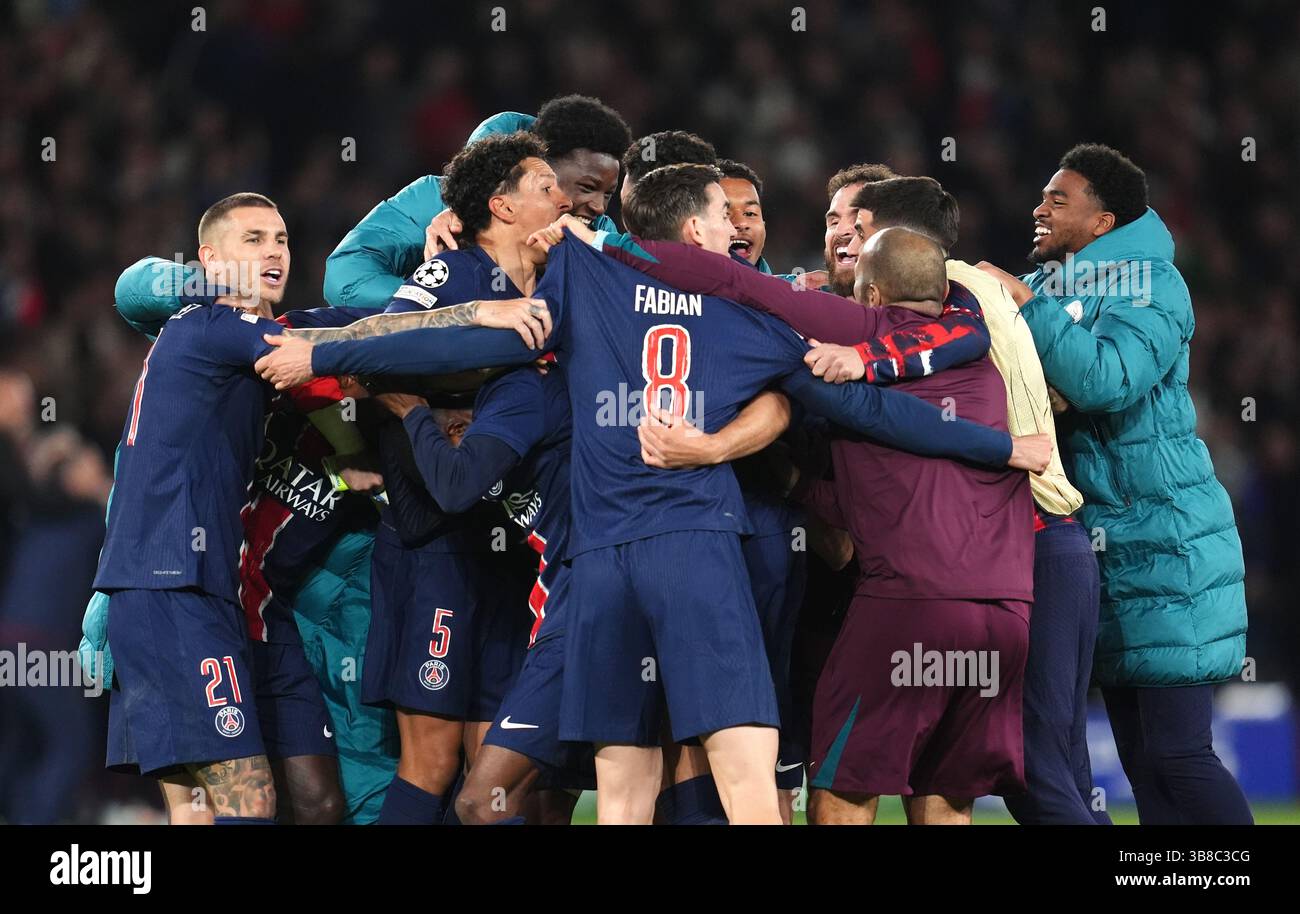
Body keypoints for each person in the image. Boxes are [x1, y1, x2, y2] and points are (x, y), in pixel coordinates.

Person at [253, 164, 1051, 823]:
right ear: (695, 233)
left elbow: (466, 335)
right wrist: (1000, 445)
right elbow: (868, 409)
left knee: (623, 793)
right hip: (695, 548)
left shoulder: (582, 277)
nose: (732, 231)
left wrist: (326, 348)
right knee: (746, 778)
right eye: (720, 217)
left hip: (598, 564)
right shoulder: (744, 313)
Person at [978, 143, 1252, 825]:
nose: (1037, 209)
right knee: (1144, 763)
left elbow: (1106, 380)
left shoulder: (1153, 283)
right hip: (1101, 552)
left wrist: (1027, 312)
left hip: (1167, 544)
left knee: (1178, 756)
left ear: (1102, 223)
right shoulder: (1050, 288)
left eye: (1057, 199)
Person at [833, 174, 1107, 824]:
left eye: (858, 231)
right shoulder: (986, 292)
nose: (848, 244)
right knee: (1057, 766)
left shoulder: (940, 309)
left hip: (1020, 542)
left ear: (889, 238)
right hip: (1059, 539)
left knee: (1037, 773)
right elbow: (1061, 394)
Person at [93, 194, 293, 825]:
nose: (273, 252)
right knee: (249, 798)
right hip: (174, 585)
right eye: (254, 239)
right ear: (209, 259)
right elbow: (327, 347)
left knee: (195, 809)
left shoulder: (200, 336)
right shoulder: (212, 323)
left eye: (282, 240)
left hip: (155, 586)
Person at [325, 95, 631, 310]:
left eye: (607, 193)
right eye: (587, 187)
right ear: (542, 164)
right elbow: (346, 277)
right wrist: (442, 308)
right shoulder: (435, 200)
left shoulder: (595, 232)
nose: (599, 207)